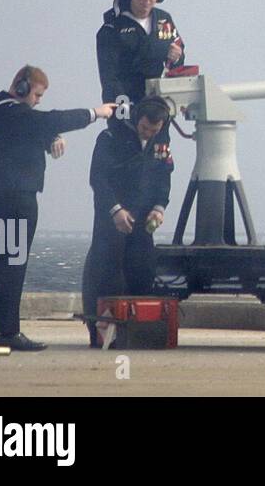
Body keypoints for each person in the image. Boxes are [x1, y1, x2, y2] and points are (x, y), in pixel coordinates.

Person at [0, 66, 115, 351]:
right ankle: (5, 331)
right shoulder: (10, 111)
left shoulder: (7, 114)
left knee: (8, 262)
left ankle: (2, 330)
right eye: (37, 94)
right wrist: (96, 113)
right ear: (23, 87)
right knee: (12, 264)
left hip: (7, 194)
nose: (38, 100)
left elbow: (35, 130)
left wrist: (51, 139)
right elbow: (49, 120)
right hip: (16, 197)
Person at [80, 95, 173, 348]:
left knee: (142, 271)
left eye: (154, 130)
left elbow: (163, 176)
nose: (147, 134)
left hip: (143, 220)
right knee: (106, 272)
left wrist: (159, 207)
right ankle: (99, 331)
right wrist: (116, 210)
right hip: (111, 216)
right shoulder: (111, 139)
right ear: (136, 120)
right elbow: (98, 179)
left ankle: (137, 331)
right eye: (144, 129)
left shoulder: (161, 141)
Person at [96, 0, 185, 134]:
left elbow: (179, 55)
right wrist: (123, 109)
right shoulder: (112, 28)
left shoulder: (164, 20)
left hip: (157, 112)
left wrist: (177, 56)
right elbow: (109, 77)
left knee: (159, 157)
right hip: (126, 111)